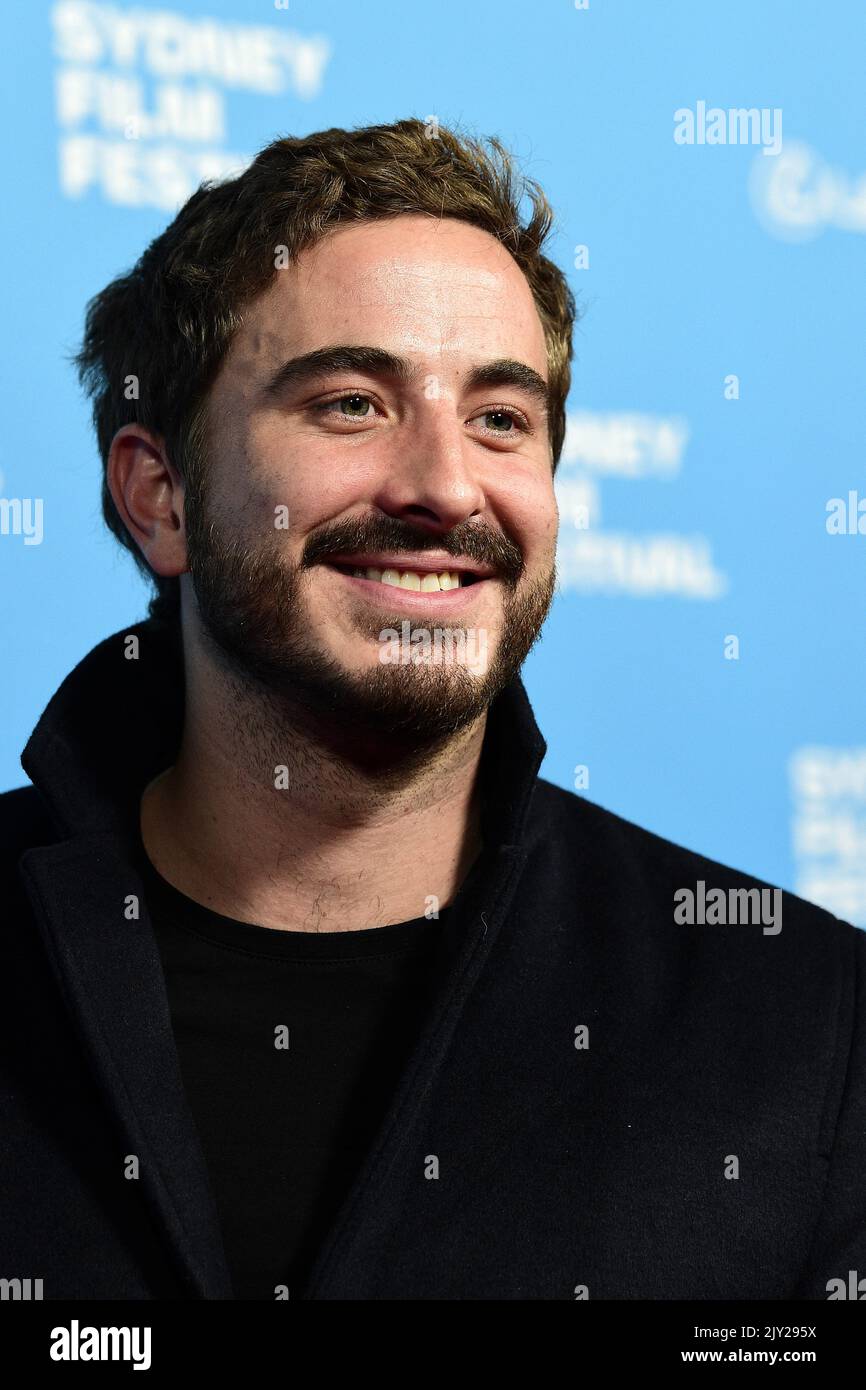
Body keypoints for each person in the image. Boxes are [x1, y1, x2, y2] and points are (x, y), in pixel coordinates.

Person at [2, 118, 864, 1301]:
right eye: (352, 403)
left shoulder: (803, 1020)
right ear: (162, 499)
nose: (445, 486)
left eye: (500, 418)